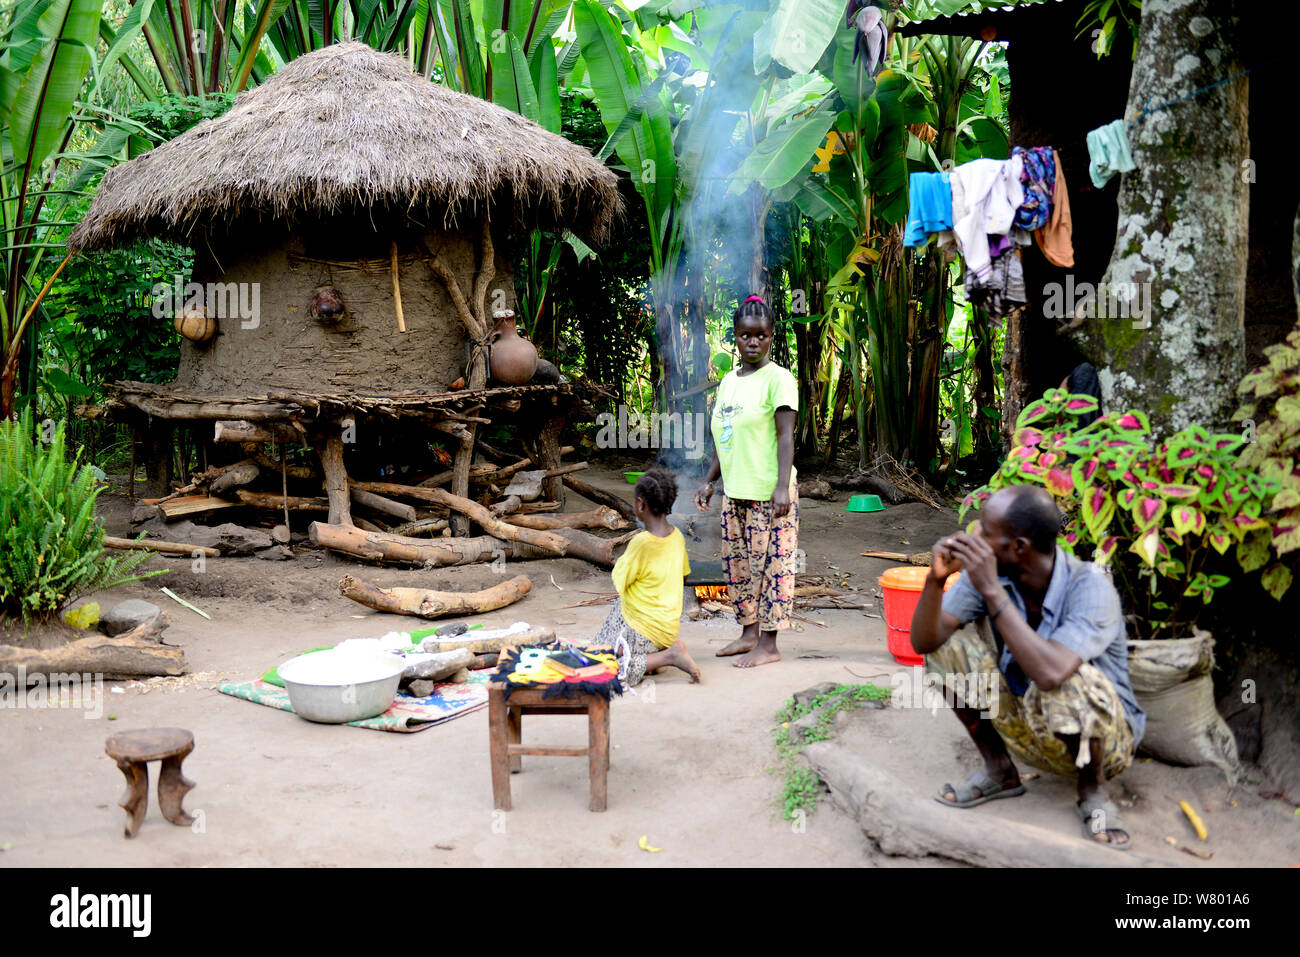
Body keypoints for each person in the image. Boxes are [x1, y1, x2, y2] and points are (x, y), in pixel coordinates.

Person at [909, 485, 1146, 850]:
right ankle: (1000, 772)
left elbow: (1051, 674)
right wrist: (935, 581)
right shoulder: (987, 576)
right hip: (1028, 724)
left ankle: (1093, 791)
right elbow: (925, 643)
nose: (976, 539)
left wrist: (993, 592)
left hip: (1106, 744)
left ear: (1019, 547)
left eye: (987, 533)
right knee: (948, 646)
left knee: (1069, 678)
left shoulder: (1090, 587)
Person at [694, 295, 799, 669]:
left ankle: (769, 644)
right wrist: (709, 482)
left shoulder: (780, 379)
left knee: (772, 568)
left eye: (761, 335)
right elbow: (725, 436)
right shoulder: (727, 382)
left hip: (769, 493)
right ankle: (748, 633)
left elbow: (786, 437)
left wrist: (782, 487)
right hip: (734, 491)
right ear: (735, 337)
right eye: (744, 335)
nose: (752, 342)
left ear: (771, 337)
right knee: (737, 567)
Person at [590, 468, 700, 685]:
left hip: (643, 628)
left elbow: (619, 583)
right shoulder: (677, 536)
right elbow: (683, 576)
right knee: (600, 650)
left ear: (641, 504)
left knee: (601, 669)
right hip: (666, 629)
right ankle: (652, 658)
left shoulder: (642, 542)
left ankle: (668, 656)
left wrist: (622, 561)